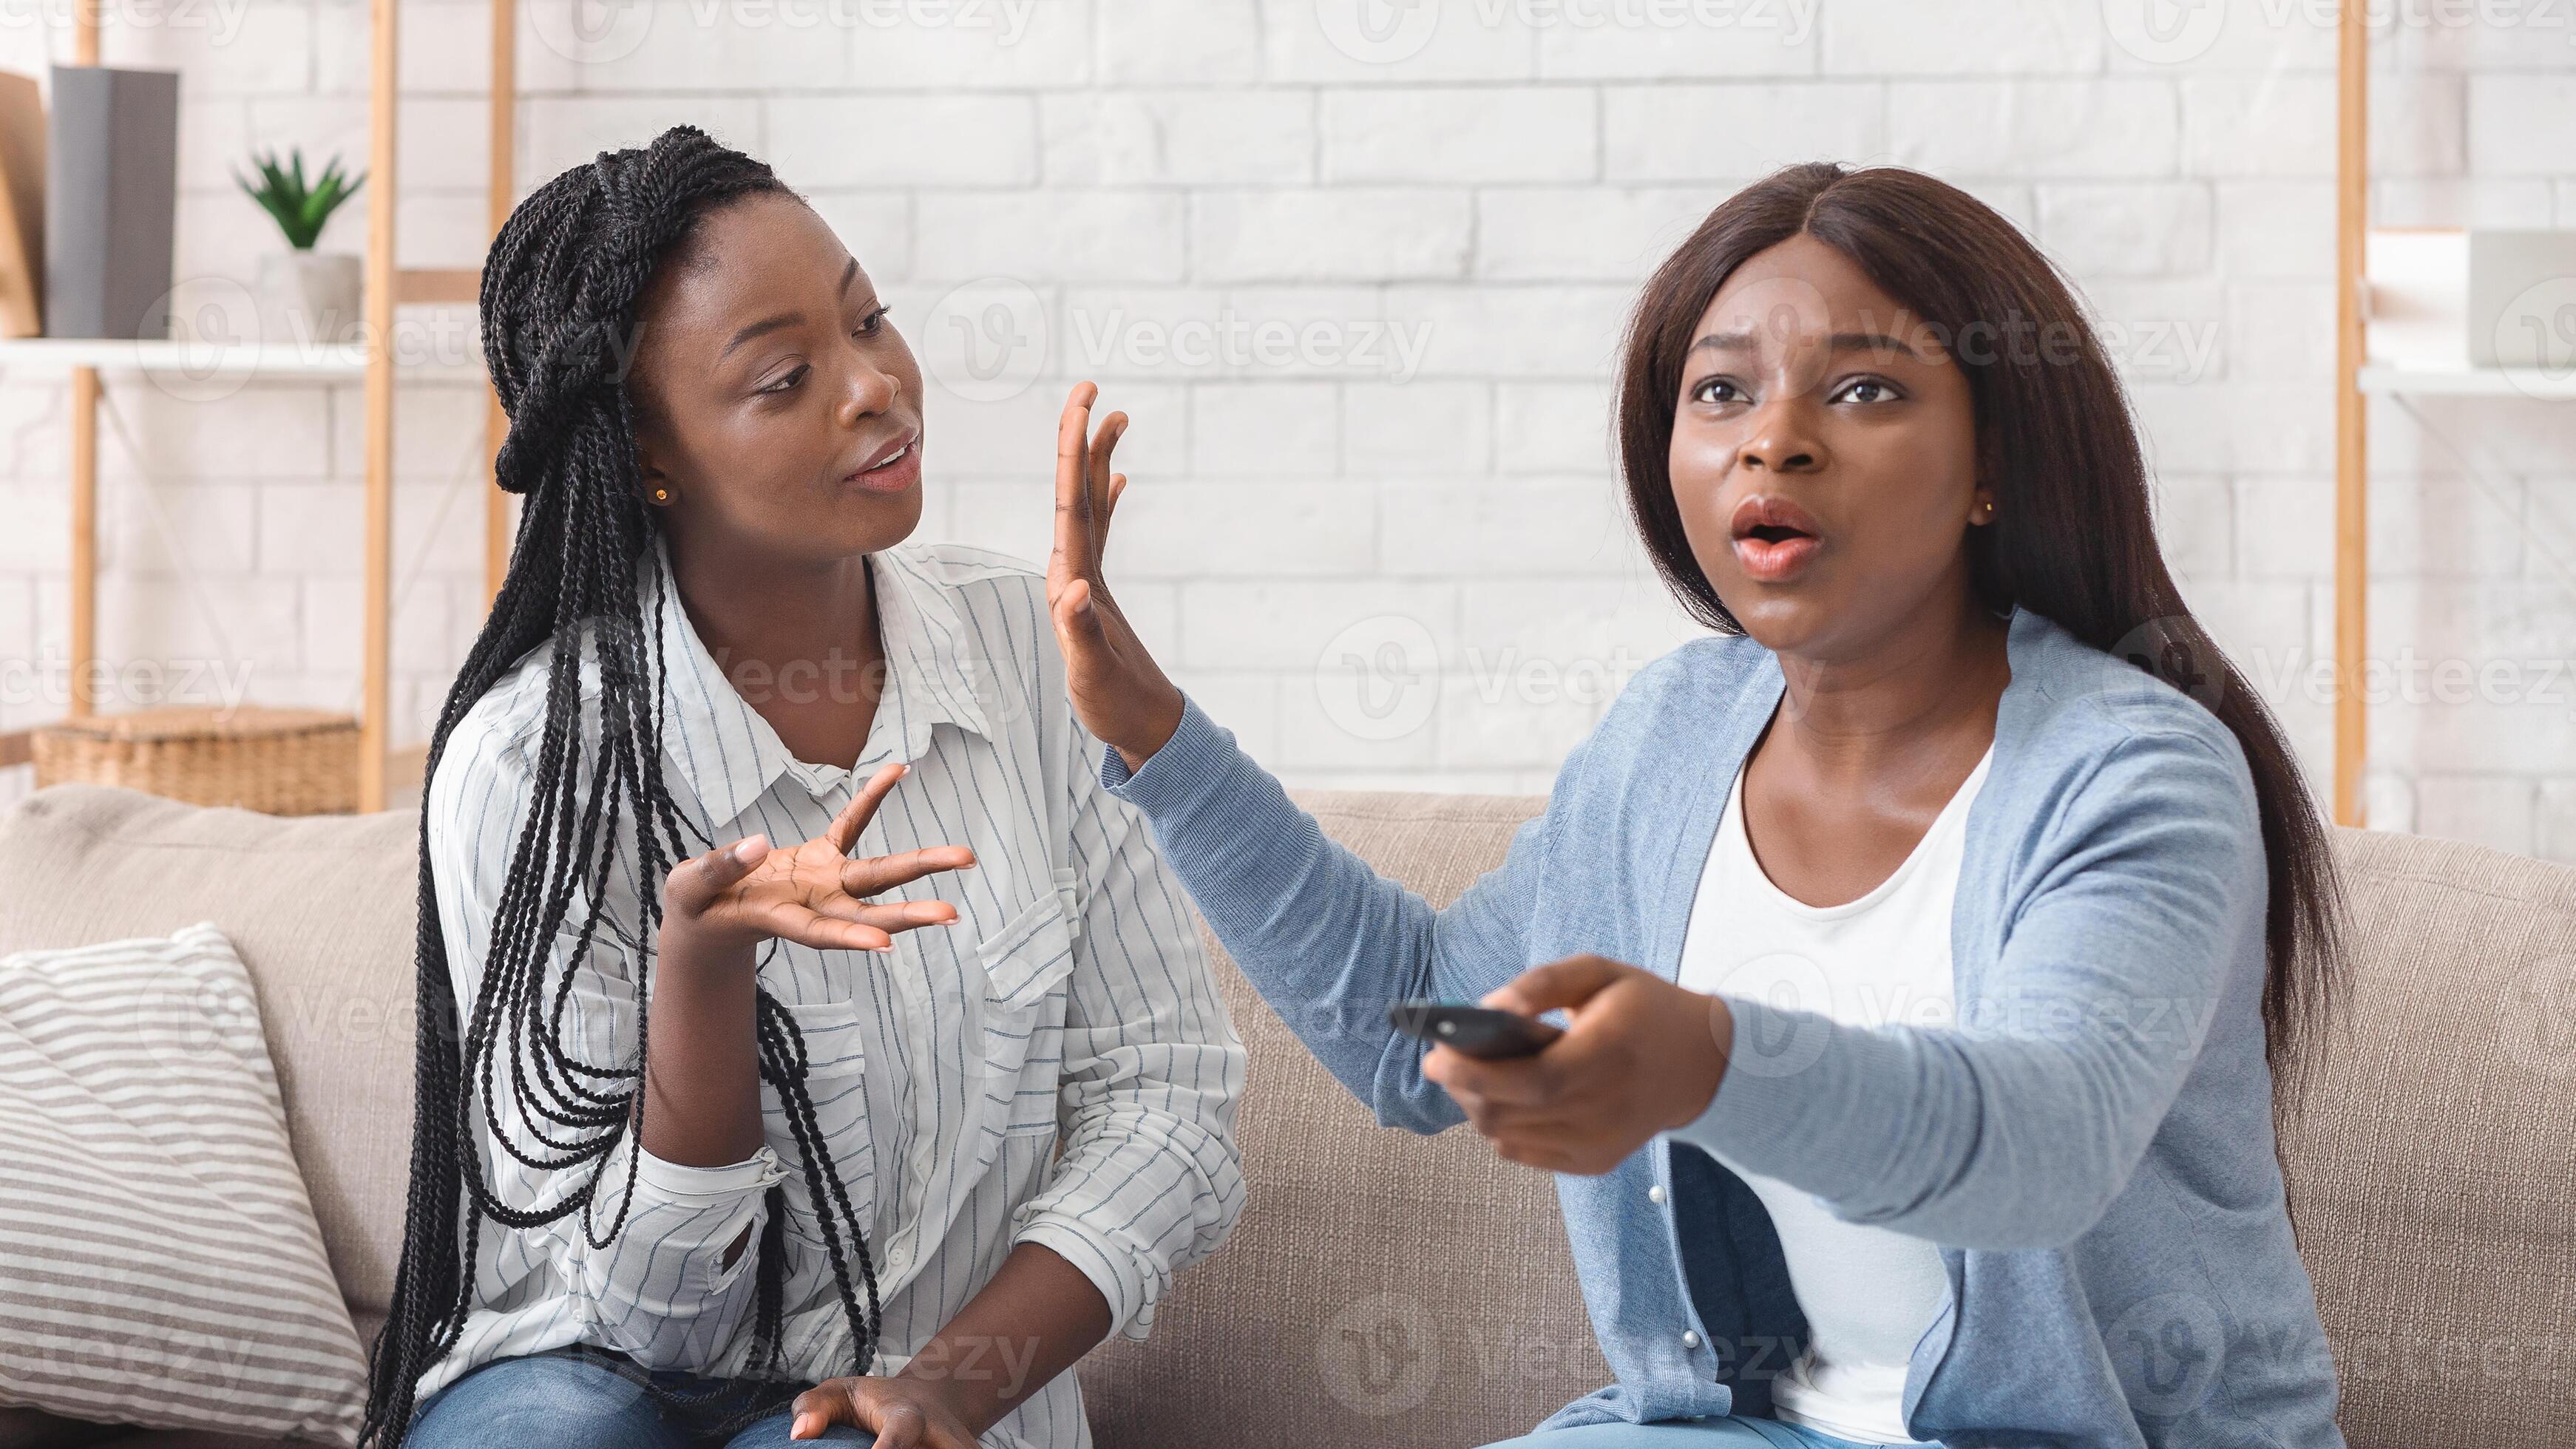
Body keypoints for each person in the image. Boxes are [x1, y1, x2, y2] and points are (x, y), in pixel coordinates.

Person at [1043, 162, 2348, 1448]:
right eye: (1720, 390)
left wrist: (1710, 1061)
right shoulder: (1670, 742)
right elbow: (1415, 1033)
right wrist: (1151, 732)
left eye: (1863, 389)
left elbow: (2043, 1145)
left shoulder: (2132, 771)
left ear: (1989, 464)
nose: (1771, 438)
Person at [359, 126, 1245, 1449]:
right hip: (582, 1380)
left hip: (924, 1397)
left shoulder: (1024, 646)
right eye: (786, 377)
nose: (877, 386)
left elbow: (1167, 1101)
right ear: (648, 455)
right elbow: (646, 1326)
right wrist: (701, 978)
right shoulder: (530, 765)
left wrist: (955, 1379)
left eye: (869, 319)